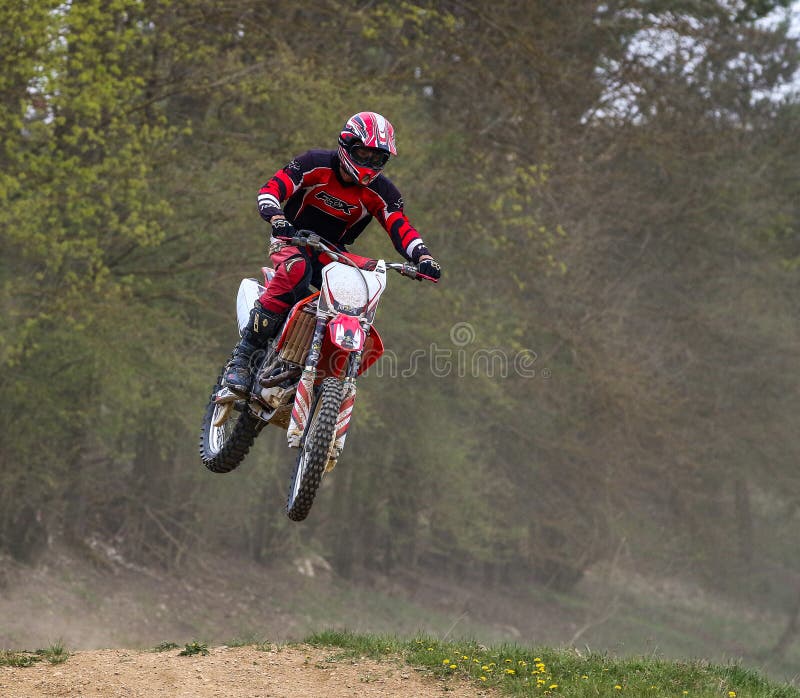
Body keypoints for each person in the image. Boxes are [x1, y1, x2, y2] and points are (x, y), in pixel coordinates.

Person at [223, 111, 441, 393]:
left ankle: (315, 365)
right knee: (297, 269)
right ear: (347, 145)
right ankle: (242, 357)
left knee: (358, 291)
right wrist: (277, 218)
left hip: (333, 253)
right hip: (292, 238)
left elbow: (399, 226)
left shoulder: (383, 192)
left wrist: (422, 256)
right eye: (364, 154)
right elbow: (271, 190)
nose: (370, 164)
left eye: (378, 159)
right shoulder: (313, 164)